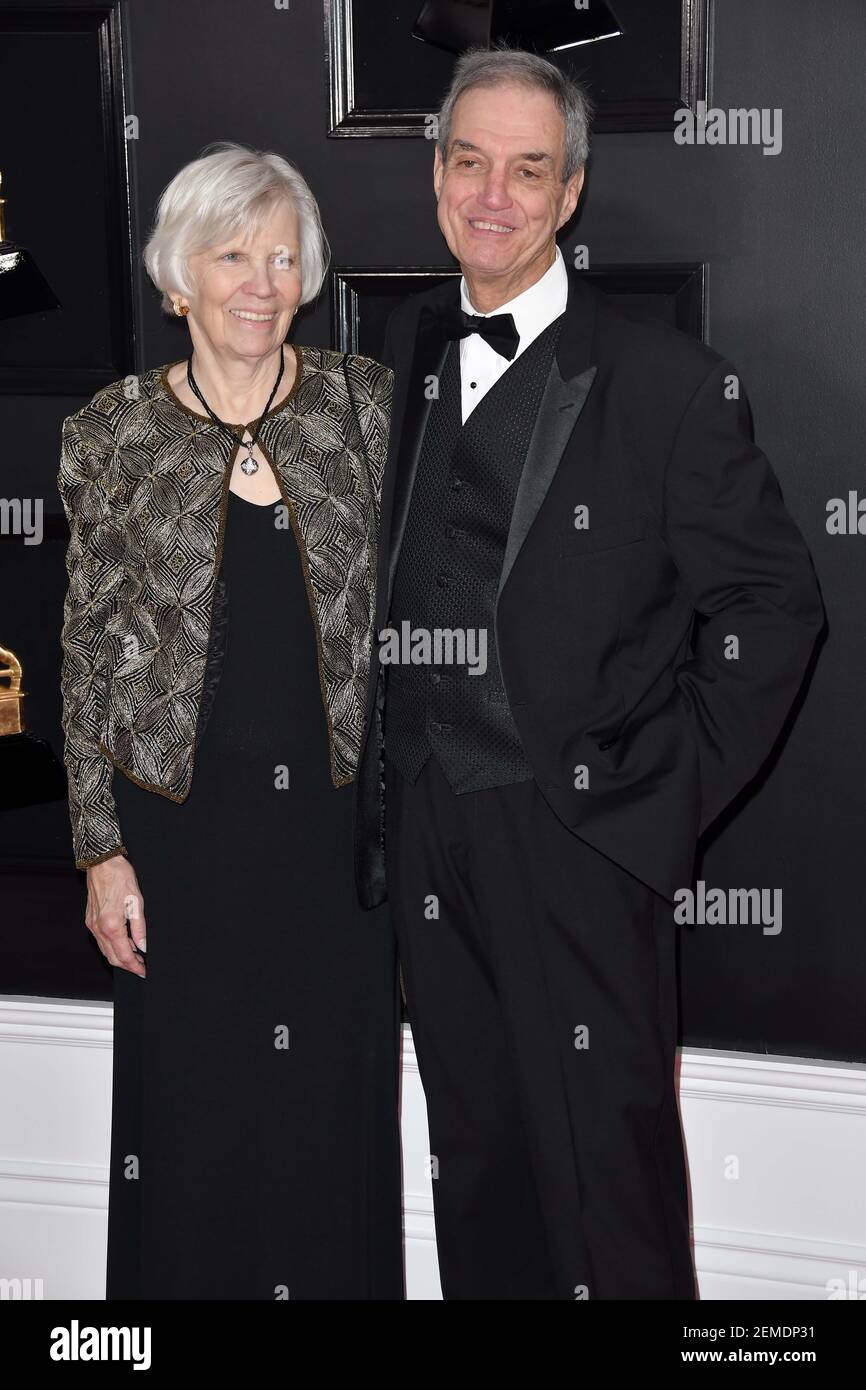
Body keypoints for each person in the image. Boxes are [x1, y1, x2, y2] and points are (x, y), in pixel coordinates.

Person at [354, 49, 825, 1299]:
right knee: (482, 1162)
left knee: (604, 1187)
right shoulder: (402, 344)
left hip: (577, 836)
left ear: (568, 194)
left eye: (527, 169)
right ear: (436, 175)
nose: (492, 195)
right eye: (469, 162)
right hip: (429, 830)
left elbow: (775, 607)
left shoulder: (663, 382)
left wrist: (647, 797)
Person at [58, 142, 402, 1299]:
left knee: (326, 1120)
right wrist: (99, 850)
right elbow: (84, 651)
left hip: (336, 844)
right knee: (193, 1122)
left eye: (283, 255)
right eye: (232, 254)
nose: (262, 280)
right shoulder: (112, 431)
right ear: (176, 280)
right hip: (181, 842)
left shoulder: (368, 408)